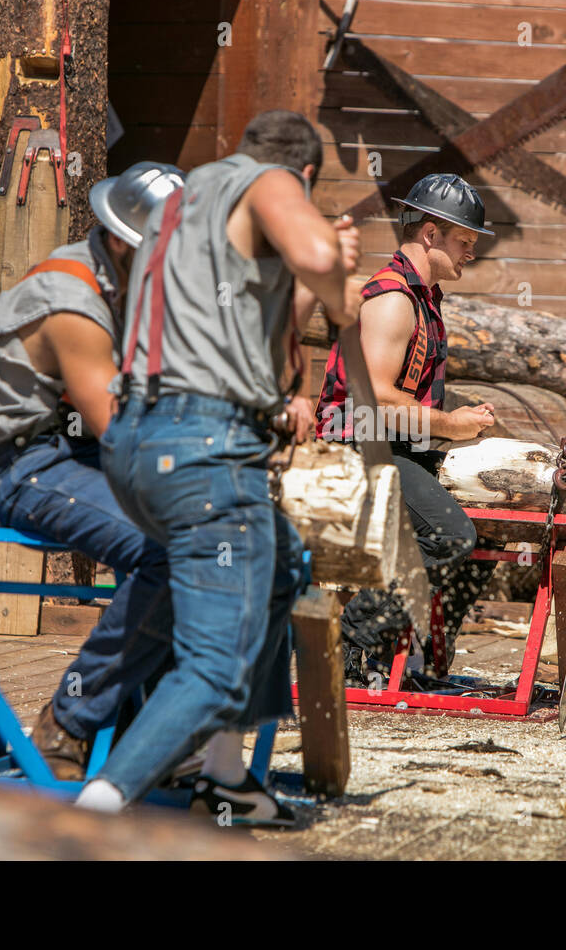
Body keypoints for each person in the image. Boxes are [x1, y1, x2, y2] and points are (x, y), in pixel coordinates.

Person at [76, 110, 359, 823]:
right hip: (202, 451)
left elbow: (257, 334)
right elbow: (322, 265)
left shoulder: (186, 202)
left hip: (139, 441)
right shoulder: (267, 180)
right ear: (304, 176)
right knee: (211, 666)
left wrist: (306, 287)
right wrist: (329, 259)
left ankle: (227, 776)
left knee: (283, 565)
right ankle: (92, 810)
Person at [0, 162, 185, 779]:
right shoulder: (72, 298)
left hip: (85, 455)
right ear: (121, 241)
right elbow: (120, 424)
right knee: (169, 545)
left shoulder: (134, 282)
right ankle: (69, 721)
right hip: (23, 464)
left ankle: (159, 730)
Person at [314, 173, 500, 685]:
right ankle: (348, 642)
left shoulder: (424, 296)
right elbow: (370, 397)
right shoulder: (394, 299)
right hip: (350, 450)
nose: (471, 253)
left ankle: (426, 659)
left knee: (486, 532)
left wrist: (454, 421)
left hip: (389, 448)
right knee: (449, 534)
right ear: (430, 235)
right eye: (464, 241)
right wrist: (450, 424)